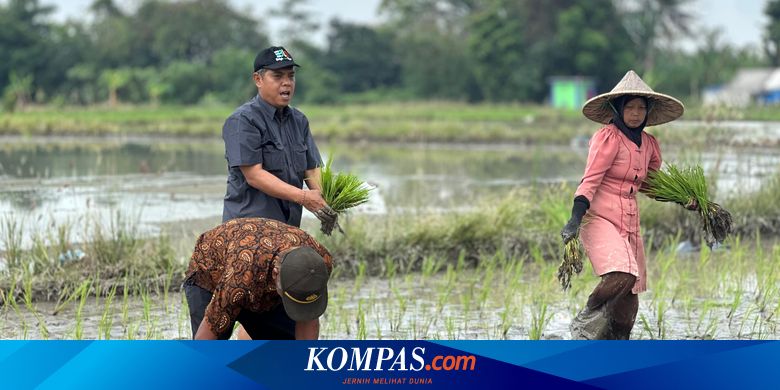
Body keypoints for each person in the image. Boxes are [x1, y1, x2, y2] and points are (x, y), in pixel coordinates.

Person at [560, 70, 692, 340]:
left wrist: (683, 198)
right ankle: (586, 320)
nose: (635, 113)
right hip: (599, 217)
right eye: (629, 107)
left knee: (629, 302)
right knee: (623, 273)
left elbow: (650, 184)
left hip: (629, 223)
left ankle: (617, 348)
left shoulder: (650, 145)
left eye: (640, 108)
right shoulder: (607, 138)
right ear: (618, 109)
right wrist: (574, 219)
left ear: (648, 111)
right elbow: (590, 180)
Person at [220, 46, 337, 338]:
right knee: (251, 305)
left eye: (291, 76)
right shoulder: (243, 121)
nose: (287, 83)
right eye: (278, 76)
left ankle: (297, 371)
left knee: (289, 301)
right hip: (248, 233)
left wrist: (325, 201)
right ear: (258, 79)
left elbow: (311, 170)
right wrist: (304, 198)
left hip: (285, 234)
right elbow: (255, 175)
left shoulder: (299, 121)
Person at [183, 217, 333, 340]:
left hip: (258, 277)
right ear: (276, 274)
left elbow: (308, 316)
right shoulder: (240, 279)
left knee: (286, 346)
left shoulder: (320, 262)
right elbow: (208, 334)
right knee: (214, 353)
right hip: (211, 269)